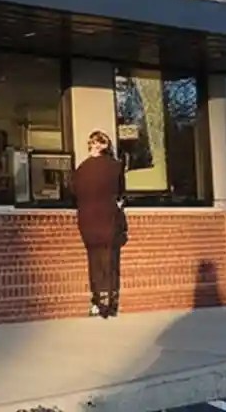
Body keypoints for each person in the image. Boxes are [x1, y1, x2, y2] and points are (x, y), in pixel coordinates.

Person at [71, 129, 127, 319]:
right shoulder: (116, 166)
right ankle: (110, 303)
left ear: (91, 146)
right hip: (108, 218)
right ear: (107, 146)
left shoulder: (81, 169)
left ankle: (96, 301)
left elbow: (73, 193)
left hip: (87, 220)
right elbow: (120, 193)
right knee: (110, 259)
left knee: (94, 260)